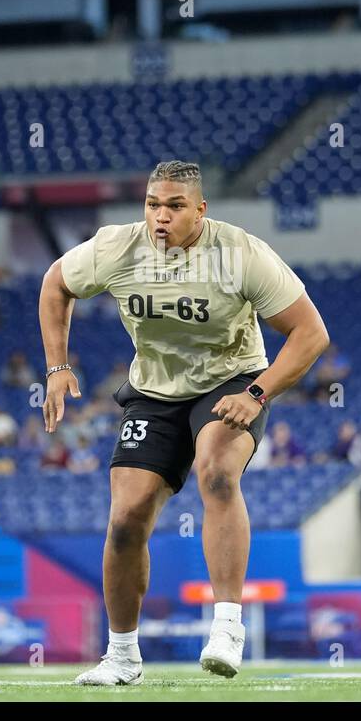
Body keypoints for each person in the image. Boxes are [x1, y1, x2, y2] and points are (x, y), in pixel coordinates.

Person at [40, 160, 329, 685]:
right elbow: (55, 284)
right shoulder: (117, 248)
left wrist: (258, 393)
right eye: (153, 204)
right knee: (126, 518)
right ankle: (123, 657)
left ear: (200, 210)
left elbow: (311, 333)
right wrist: (58, 368)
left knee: (216, 471)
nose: (161, 216)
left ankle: (227, 628)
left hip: (231, 381)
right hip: (154, 392)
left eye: (175, 206)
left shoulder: (242, 254)